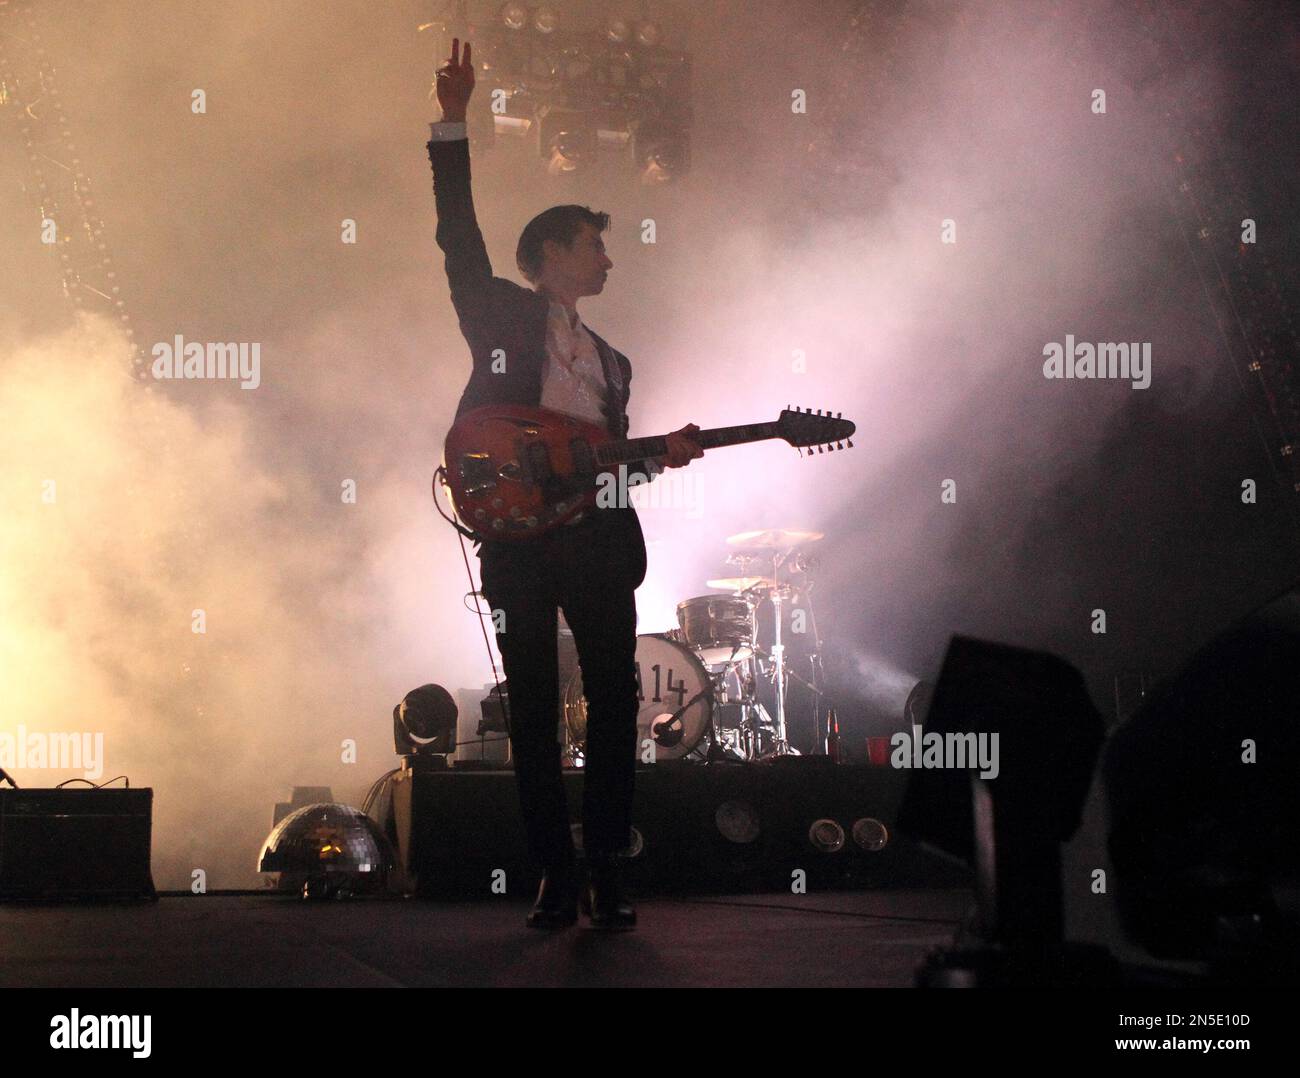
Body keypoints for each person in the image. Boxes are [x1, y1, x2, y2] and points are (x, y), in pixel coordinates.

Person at [428, 38, 702, 930]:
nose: (608, 263)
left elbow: (606, 456)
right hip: (513, 532)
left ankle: (608, 867)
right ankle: (554, 870)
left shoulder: (615, 365)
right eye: (594, 247)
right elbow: (457, 234)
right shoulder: (499, 309)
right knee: (535, 706)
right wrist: (454, 123)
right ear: (551, 252)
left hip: (596, 537)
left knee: (616, 701)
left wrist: (655, 455)